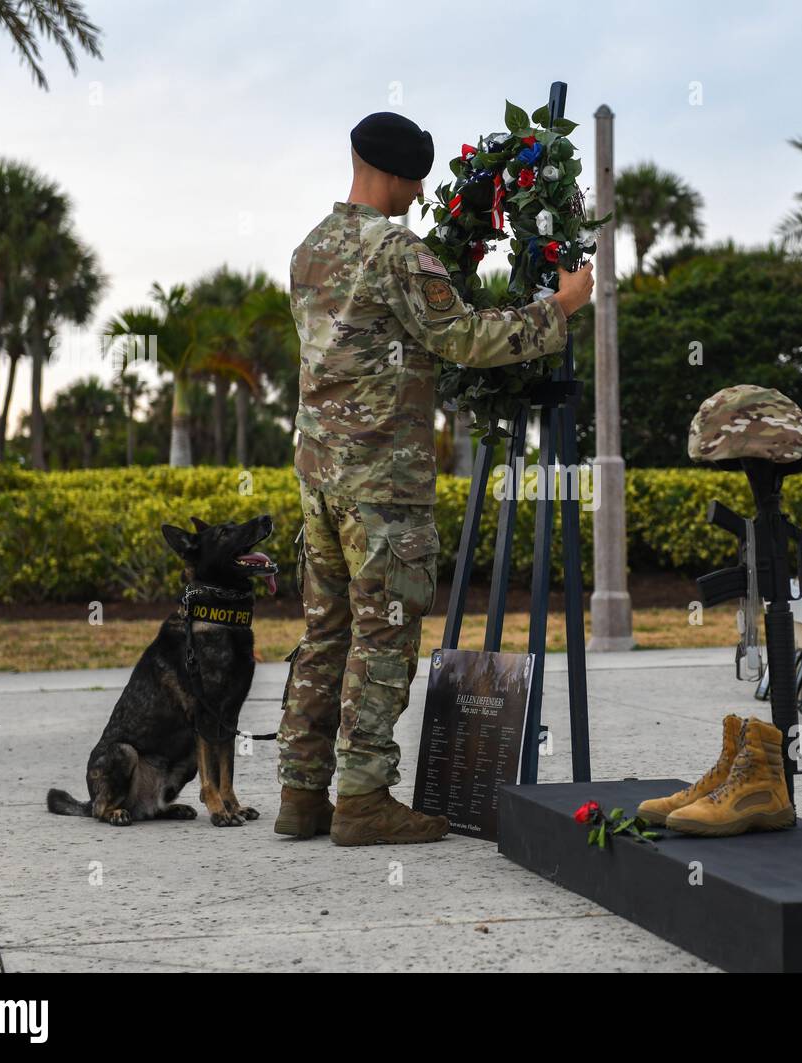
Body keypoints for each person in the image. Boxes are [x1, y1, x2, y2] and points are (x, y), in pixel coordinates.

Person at [275, 111, 594, 845]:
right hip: (384, 484)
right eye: (415, 182)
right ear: (393, 173)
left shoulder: (310, 250)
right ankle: (361, 801)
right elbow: (464, 339)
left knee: (324, 634)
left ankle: (300, 795)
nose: (418, 197)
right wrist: (561, 308)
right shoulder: (396, 251)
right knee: (384, 636)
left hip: (318, 477)